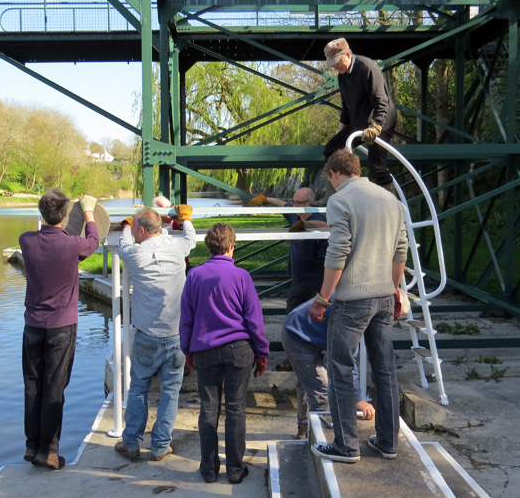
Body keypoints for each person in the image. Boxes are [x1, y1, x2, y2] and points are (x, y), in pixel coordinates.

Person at [309, 150, 408, 464]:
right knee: (385, 370)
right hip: (382, 297)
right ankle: (388, 442)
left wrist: (322, 298)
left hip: (353, 300)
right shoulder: (391, 200)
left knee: (339, 368)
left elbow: (338, 252)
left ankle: (346, 446)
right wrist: (393, 290)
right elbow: (400, 250)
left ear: (335, 173)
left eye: (330, 178)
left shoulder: (340, 201)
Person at [180, 223, 270, 485]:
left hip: (205, 351)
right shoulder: (242, 277)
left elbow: (186, 319)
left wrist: (188, 350)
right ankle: (234, 469)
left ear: (209, 247)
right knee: (235, 409)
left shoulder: (194, 276)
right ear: (232, 247)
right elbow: (255, 319)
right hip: (239, 350)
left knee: (208, 410)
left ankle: (208, 469)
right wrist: (261, 352)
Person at [19, 190, 100, 470]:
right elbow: (93, 241)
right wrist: (88, 211)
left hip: (32, 326)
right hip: (61, 327)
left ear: (41, 214)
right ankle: (49, 452)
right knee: (54, 388)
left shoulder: (26, 241)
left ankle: (32, 445)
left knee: (33, 386)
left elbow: (52, 235)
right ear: (66, 214)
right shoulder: (71, 246)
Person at [114, 206, 196, 461]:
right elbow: (190, 237)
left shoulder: (134, 254)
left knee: (138, 388)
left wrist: (126, 223)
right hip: (177, 336)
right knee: (171, 392)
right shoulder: (177, 248)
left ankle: (131, 444)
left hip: (147, 335)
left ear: (140, 230)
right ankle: (161, 446)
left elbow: (124, 240)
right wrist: (186, 220)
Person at [281, 295, 375, 440]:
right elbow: (347, 361)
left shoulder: (358, 295)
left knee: (308, 383)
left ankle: (304, 430)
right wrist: (358, 399)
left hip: (302, 330)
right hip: (297, 336)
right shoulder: (355, 312)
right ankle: (320, 440)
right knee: (321, 390)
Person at [322, 37, 397, 190]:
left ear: (348, 55)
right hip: (359, 123)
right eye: (333, 64)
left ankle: (390, 206)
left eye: (337, 62)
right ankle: (335, 195)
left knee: (377, 167)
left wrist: (376, 126)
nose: (336, 67)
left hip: (380, 120)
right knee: (331, 150)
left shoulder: (367, 67)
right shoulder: (342, 76)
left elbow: (381, 100)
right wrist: (342, 130)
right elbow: (346, 106)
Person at [248, 187, 328, 313]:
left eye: (298, 203)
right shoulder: (294, 214)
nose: (294, 205)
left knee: (315, 318)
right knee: (291, 314)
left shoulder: (318, 218)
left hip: (316, 282)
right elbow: (282, 204)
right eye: (294, 201)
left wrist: (304, 225)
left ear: (309, 202)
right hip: (297, 280)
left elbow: (324, 225)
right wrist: (265, 198)